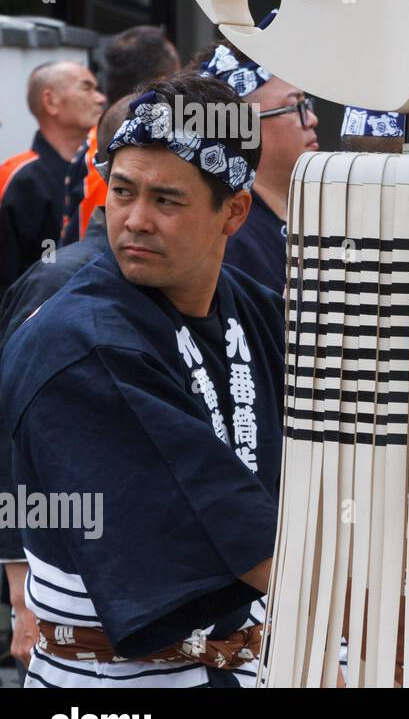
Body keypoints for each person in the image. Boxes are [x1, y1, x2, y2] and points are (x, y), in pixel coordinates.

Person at [0, 71, 284, 687]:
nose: (135, 220)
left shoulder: (257, 308)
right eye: (123, 191)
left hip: (249, 660)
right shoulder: (79, 341)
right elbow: (224, 521)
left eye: (167, 200)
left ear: (233, 211)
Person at [0, 100, 131, 683]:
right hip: (70, 588)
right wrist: (22, 599)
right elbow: (13, 439)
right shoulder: (59, 281)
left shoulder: (220, 289)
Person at [194, 41, 319, 296]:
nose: (312, 120)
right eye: (295, 106)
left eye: (307, 106)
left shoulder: (306, 215)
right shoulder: (234, 239)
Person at [60, 26, 181, 246]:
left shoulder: (98, 138)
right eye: (123, 191)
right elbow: (96, 252)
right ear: (164, 80)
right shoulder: (116, 156)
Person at [0, 62, 105, 294]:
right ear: (51, 101)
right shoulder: (16, 177)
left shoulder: (96, 170)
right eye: (87, 88)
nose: (100, 98)